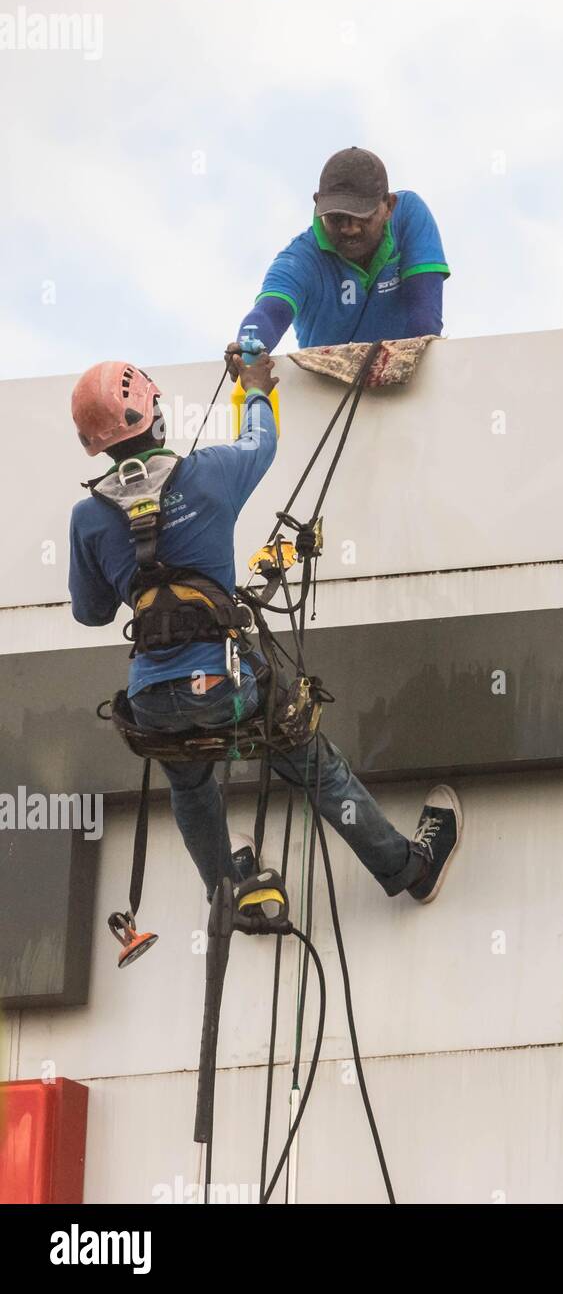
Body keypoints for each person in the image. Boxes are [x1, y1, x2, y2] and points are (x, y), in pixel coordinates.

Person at [67, 354, 463, 908]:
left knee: (189, 782)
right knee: (311, 761)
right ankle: (409, 869)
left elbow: (90, 612)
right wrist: (254, 387)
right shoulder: (209, 474)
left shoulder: (88, 518)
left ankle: (227, 892)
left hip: (151, 700)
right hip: (226, 687)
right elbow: (262, 440)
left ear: (95, 443)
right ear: (155, 416)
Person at [229, 147, 448, 366]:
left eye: (362, 217)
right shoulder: (300, 259)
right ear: (318, 204)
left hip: (407, 379)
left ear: (389, 206)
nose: (349, 229)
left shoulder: (408, 216)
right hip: (328, 392)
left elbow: (425, 318)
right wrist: (247, 347)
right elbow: (269, 313)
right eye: (337, 218)